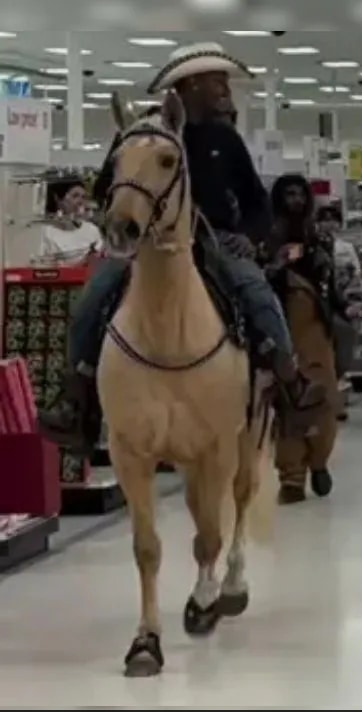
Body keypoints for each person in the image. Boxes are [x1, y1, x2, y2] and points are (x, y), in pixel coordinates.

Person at [37, 42, 325, 453]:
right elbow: (106, 187)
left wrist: (246, 235)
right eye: (217, 81)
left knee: (258, 292)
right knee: (94, 297)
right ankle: (76, 396)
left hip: (214, 242)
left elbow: (257, 202)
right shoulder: (140, 134)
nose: (225, 89)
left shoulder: (224, 139)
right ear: (190, 86)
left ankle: (290, 383)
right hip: (149, 244)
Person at [265, 175, 358, 504]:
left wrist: (346, 306)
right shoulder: (265, 237)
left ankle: (318, 461)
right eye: (287, 194)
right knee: (288, 406)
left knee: (322, 400)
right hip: (278, 328)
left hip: (316, 328)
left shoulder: (318, 240)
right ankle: (291, 477)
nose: (294, 200)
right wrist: (274, 267)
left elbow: (329, 288)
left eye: (298, 193)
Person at [41, 177, 102, 261]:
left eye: (83, 197)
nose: (80, 201)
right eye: (75, 196)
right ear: (58, 199)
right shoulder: (46, 233)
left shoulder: (92, 230)